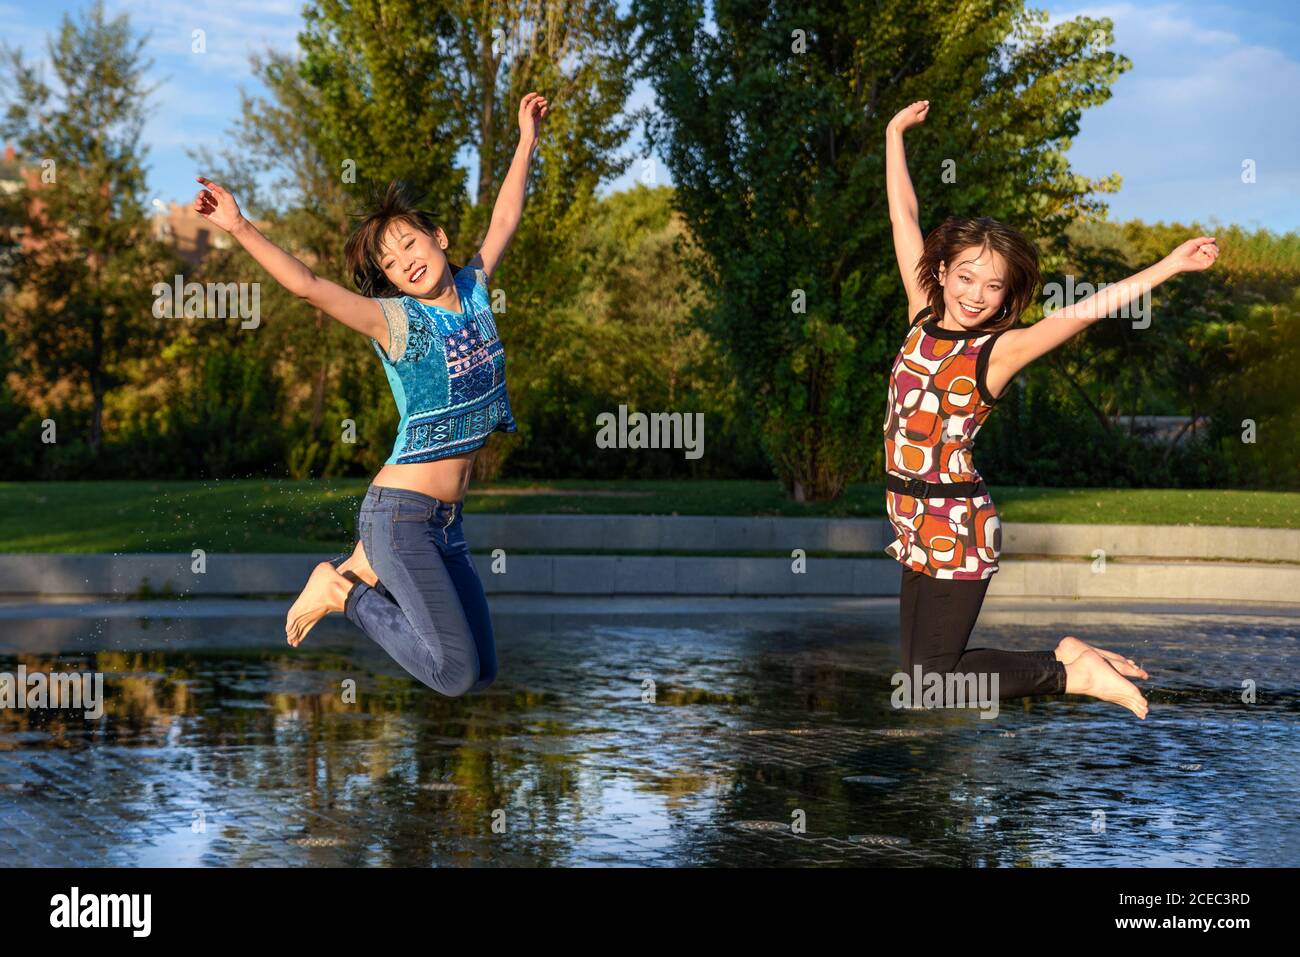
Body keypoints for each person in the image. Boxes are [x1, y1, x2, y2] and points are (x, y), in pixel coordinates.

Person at [195, 92, 550, 697]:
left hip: (447, 524)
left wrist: (527, 141)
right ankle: (343, 589)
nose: (405, 261)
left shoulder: (476, 287)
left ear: (438, 237)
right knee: (455, 674)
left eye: (410, 244)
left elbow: (505, 219)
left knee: (484, 669)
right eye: (389, 262)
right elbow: (308, 286)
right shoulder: (395, 323)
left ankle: (358, 565)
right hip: (402, 517)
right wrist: (237, 225)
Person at [883, 99, 1219, 718]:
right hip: (910, 519)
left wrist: (1169, 266)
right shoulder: (921, 314)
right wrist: (894, 133)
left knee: (934, 684)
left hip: (956, 524)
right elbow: (905, 216)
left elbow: (1082, 310)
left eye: (993, 287)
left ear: (1008, 295)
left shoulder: (999, 352)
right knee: (920, 685)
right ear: (943, 272)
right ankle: (1069, 660)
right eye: (965, 277)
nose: (976, 296)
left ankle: (1073, 674)